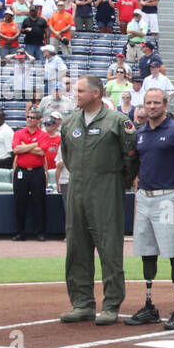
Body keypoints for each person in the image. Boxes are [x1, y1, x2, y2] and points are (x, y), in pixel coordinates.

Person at [58, 75, 138, 325]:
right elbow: (68, 157)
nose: (76, 94)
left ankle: (111, 304)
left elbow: (131, 159)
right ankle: (82, 303)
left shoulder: (118, 122)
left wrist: (117, 183)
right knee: (76, 247)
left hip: (107, 188)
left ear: (96, 93)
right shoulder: (69, 122)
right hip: (76, 188)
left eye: (80, 91)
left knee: (109, 248)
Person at [122, 89, 174, 330]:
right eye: (148, 103)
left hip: (169, 196)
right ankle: (149, 306)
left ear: (165, 105)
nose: (152, 106)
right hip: (144, 196)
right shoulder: (141, 133)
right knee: (146, 248)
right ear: (143, 106)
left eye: (157, 102)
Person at [11, 111, 52, 240]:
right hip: (22, 171)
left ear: (39, 120)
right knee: (20, 202)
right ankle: (20, 232)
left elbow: (41, 152)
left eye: (33, 118)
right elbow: (16, 150)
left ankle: (40, 232)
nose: (29, 119)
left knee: (39, 202)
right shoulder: (19, 133)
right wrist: (34, 145)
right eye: (28, 117)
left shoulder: (44, 135)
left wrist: (26, 146)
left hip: (37, 172)